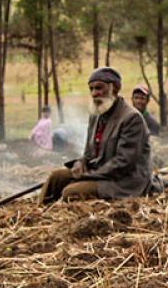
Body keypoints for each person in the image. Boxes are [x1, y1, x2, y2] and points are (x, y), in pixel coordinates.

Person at [40, 67, 158, 203]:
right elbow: (89, 154)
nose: (94, 93)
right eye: (91, 89)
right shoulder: (95, 115)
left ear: (114, 88)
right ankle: (37, 214)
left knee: (71, 192)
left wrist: (88, 175)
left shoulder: (131, 118)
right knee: (56, 177)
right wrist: (81, 162)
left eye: (99, 88)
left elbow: (123, 163)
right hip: (99, 173)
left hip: (124, 181)